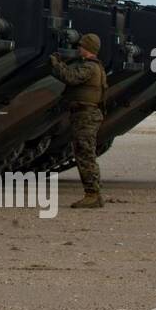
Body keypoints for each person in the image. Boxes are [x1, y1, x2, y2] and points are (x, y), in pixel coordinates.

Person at [50, 32, 107, 208]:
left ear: (88, 49)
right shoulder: (95, 66)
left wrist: (55, 64)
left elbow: (70, 77)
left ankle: (92, 194)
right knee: (85, 153)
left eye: (81, 46)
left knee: (85, 154)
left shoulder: (89, 67)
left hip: (86, 115)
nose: (78, 49)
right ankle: (94, 192)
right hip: (86, 114)